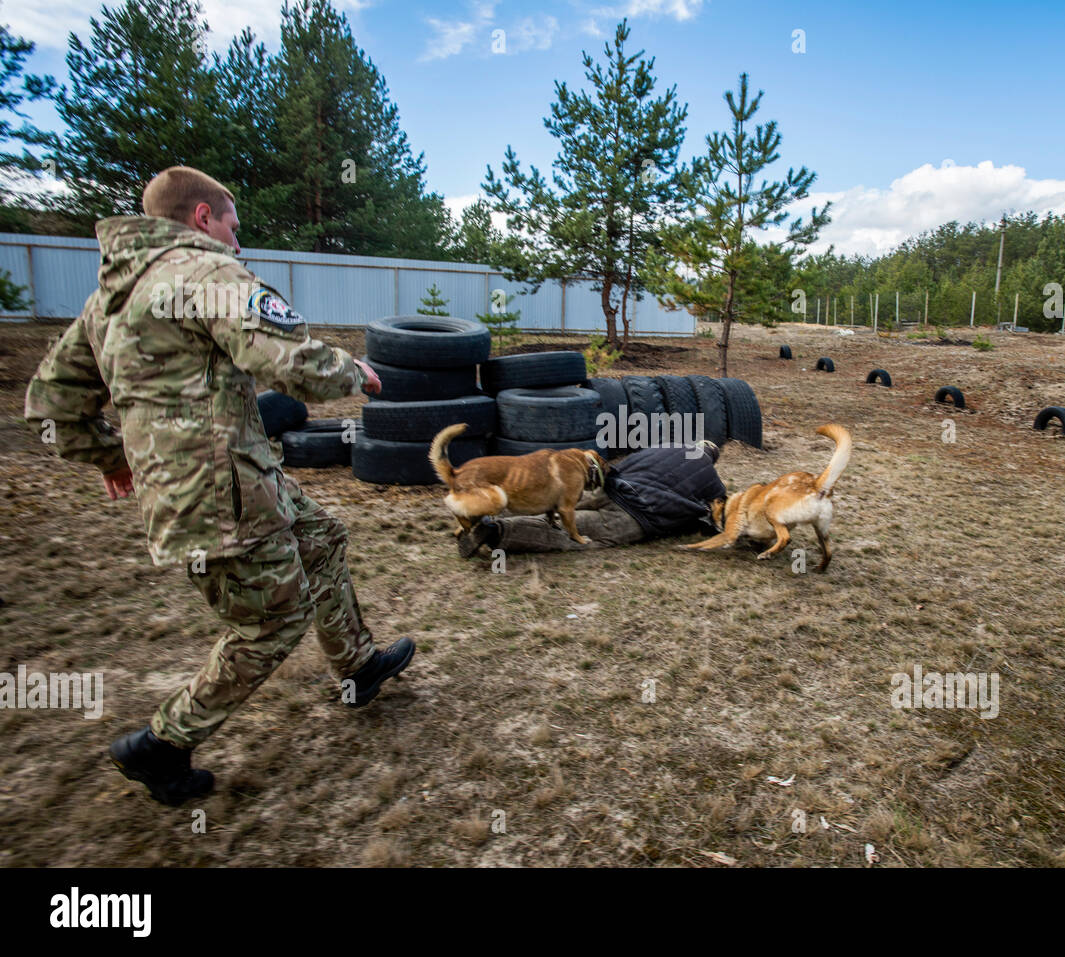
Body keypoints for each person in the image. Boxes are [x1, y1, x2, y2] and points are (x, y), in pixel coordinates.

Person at [24, 166, 414, 806]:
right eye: (233, 226)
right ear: (204, 217)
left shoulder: (108, 301)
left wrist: (112, 458)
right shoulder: (205, 272)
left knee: (319, 537)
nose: (238, 243)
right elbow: (284, 356)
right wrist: (353, 372)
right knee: (270, 625)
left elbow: (51, 404)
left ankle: (358, 664)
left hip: (228, 477)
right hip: (222, 493)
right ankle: (161, 744)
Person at [459, 441, 727, 556]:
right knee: (573, 534)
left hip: (611, 488)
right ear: (713, 459)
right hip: (636, 515)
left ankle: (482, 514)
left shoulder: (668, 445)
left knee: (553, 505)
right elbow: (716, 517)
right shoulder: (713, 482)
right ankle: (496, 533)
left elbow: (626, 462)